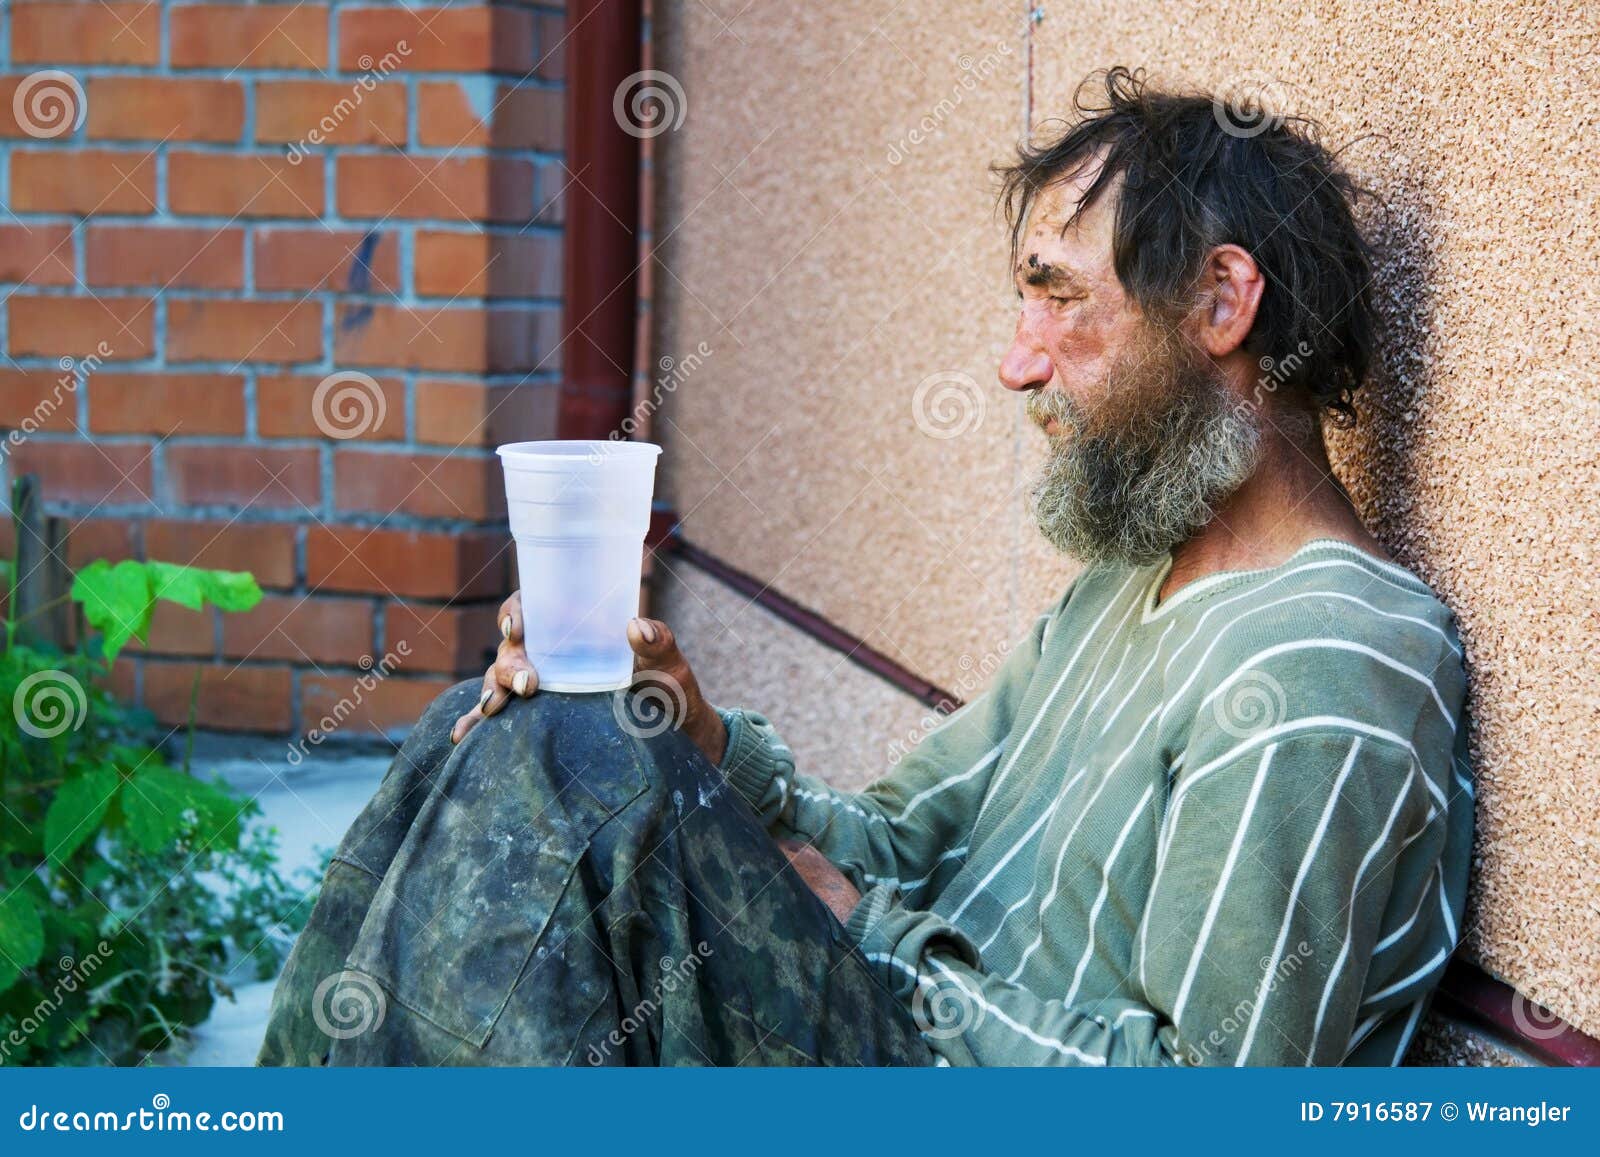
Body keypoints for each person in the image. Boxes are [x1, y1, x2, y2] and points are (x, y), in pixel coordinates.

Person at [259, 68, 1472, 1067]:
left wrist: (863, 931)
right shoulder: (1128, 584)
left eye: (1058, 301)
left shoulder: (1325, 669)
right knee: (513, 724)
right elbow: (899, 839)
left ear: (1221, 302)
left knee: (564, 765)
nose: (1014, 363)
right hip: (879, 1020)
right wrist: (701, 741)